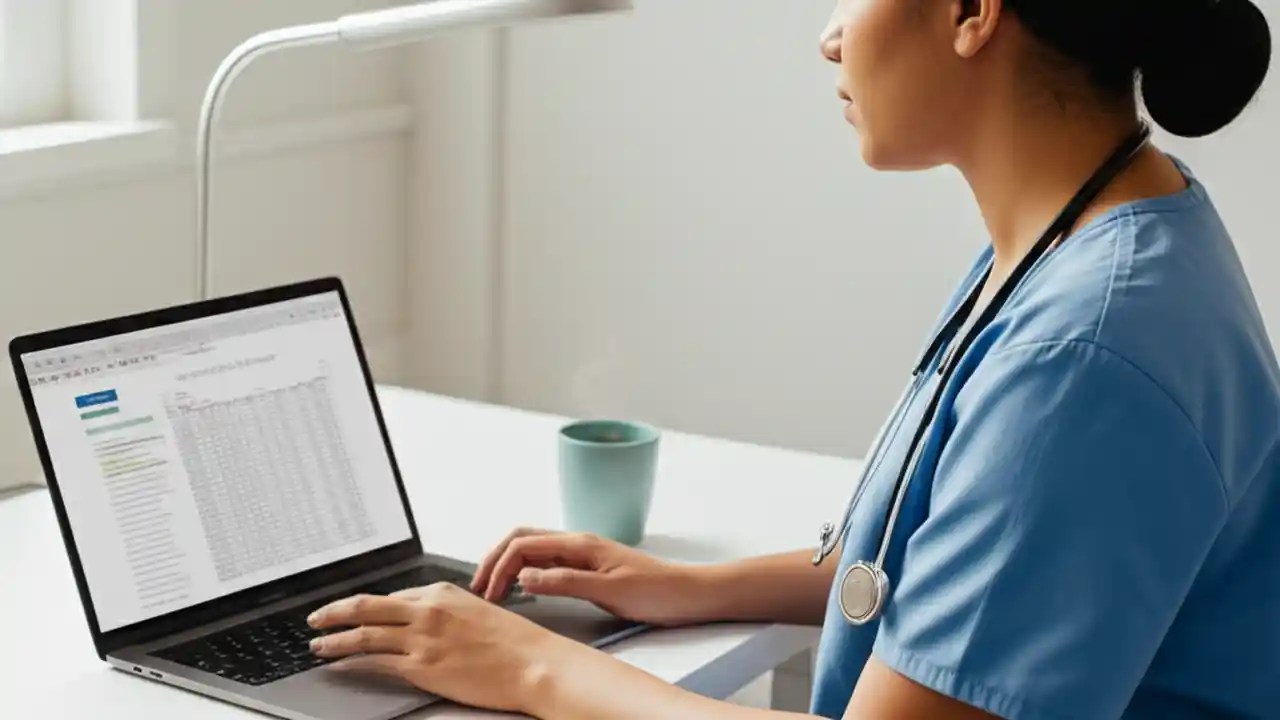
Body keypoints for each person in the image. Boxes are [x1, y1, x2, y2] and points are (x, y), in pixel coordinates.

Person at [303, 1, 1280, 717]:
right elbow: (956, 562)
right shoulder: (1094, 235)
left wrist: (527, 666)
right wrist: (690, 587)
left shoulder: (1085, 356)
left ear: (972, 12)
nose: (828, 36)